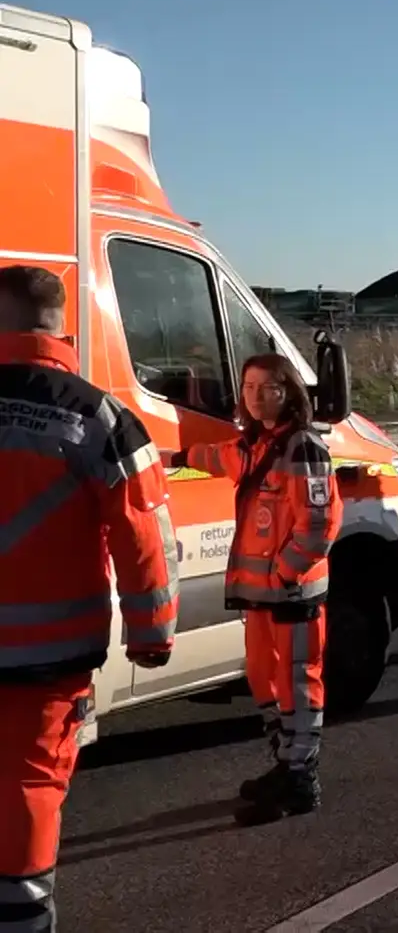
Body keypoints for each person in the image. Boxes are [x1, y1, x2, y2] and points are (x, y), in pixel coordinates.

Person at [0, 265, 179, 932]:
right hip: (50, 658)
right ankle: (22, 917)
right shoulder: (101, 417)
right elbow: (140, 536)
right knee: (29, 787)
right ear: (58, 325)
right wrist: (151, 630)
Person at [176, 353, 341, 825]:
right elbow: (217, 457)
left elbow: (320, 523)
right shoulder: (254, 445)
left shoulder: (302, 448)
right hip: (263, 597)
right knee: (264, 680)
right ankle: (284, 763)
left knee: (297, 683)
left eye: (265, 387)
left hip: (293, 595)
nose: (253, 396)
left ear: (287, 392)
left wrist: (285, 574)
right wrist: (174, 455)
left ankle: (300, 778)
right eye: (247, 387)